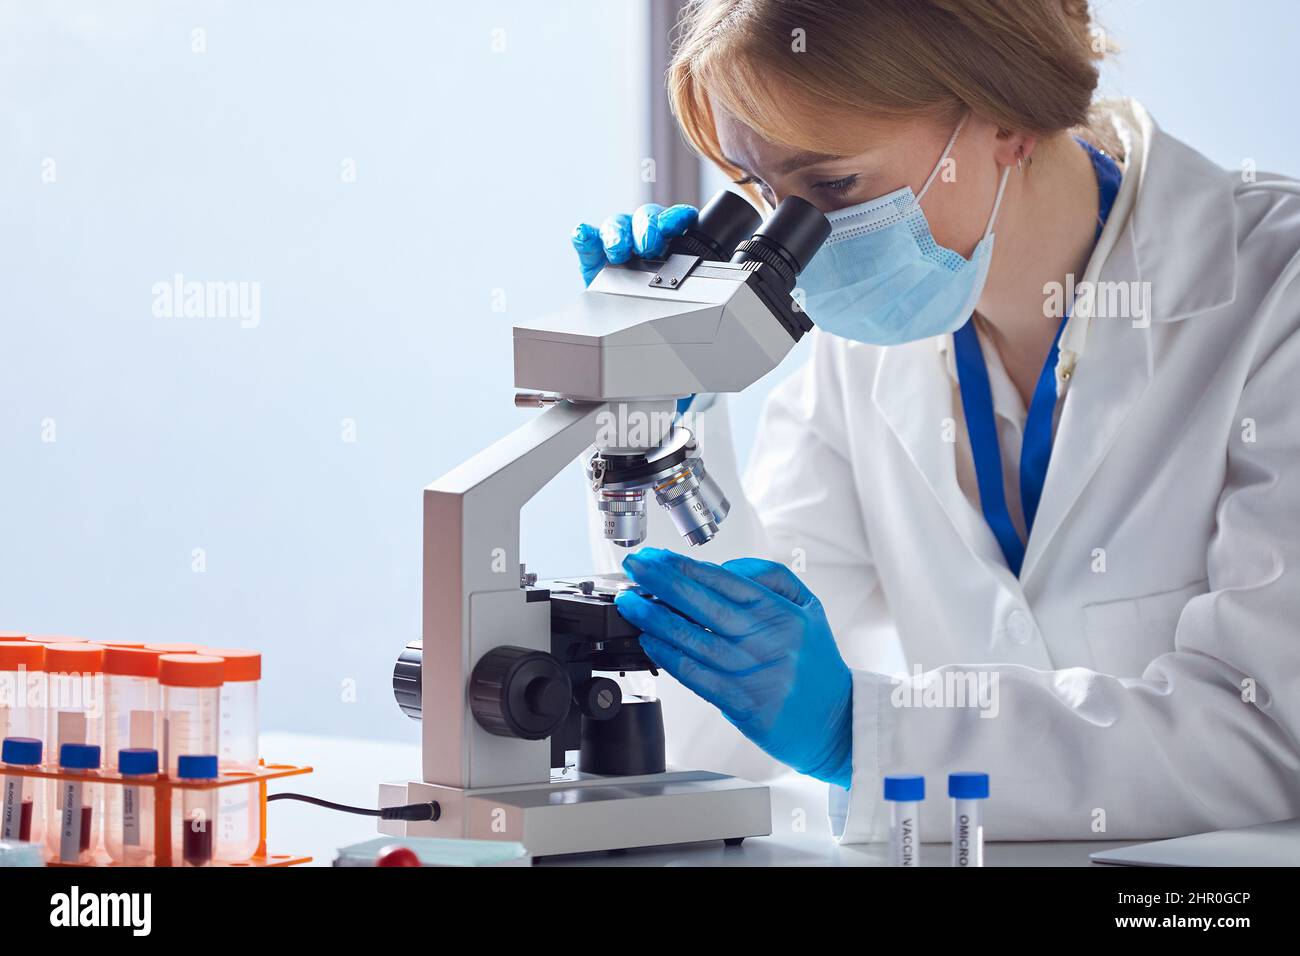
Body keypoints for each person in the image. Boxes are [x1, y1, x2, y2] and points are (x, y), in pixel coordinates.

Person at [570, 0, 1300, 844]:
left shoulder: (1276, 294)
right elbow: (715, 734)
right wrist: (650, 412)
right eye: (759, 192)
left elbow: (1268, 729)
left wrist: (865, 733)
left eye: (833, 186)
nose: (791, 243)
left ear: (1007, 119)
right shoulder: (867, 349)